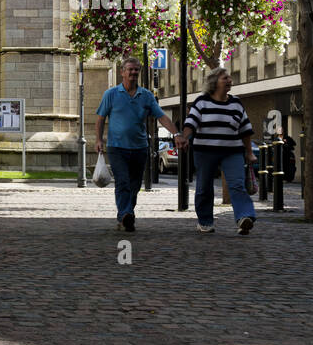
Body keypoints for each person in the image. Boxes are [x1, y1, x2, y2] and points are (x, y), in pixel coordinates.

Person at [95, 57, 182, 232]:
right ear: (122, 72)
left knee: (134, 185)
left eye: (136, 70)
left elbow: (161, 116)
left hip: (140, 148)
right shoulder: (110, 94)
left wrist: (176, 133)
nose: (133, 73)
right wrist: (98, 139)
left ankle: (127, 214)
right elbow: (101, 118)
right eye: (130, 69)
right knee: (123, 182)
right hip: (117, 147)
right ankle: (125, 214)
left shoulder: (147, 96)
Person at [179, 68, 256, 235]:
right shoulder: (202, 102)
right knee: (204, 187)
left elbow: (245, 129)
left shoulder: (236, 102)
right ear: (214, 82)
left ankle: (244, 217)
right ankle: (205, 221)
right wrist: (184, 137)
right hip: (205, 151)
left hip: (232, 151)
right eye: (225, 78)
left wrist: (249, 152)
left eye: (229, 78)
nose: (229, 80)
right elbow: (190, 123)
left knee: (237, 184)